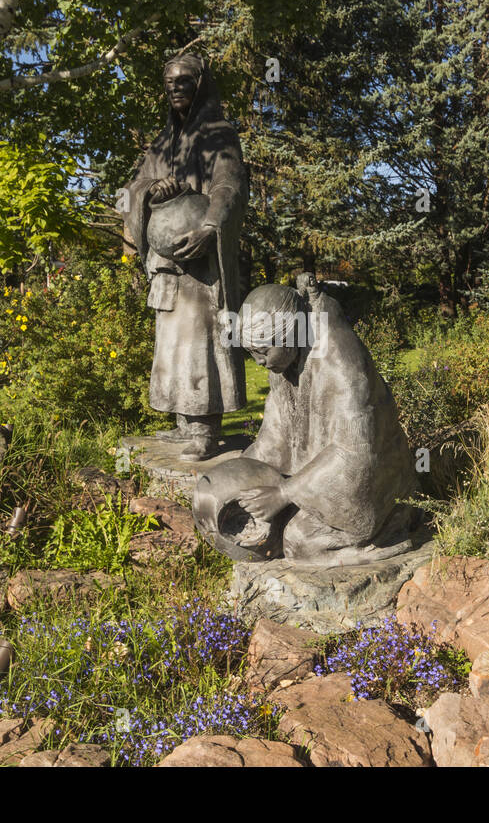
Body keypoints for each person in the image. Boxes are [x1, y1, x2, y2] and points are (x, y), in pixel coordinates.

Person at [193, 278, 419, 564]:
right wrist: (232, 475)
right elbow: (275, 436)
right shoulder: (287, 359)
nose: (259, 362)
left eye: (263, 351)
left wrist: (285, 492)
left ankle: (377, 543)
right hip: (318, 478)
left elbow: (356, 453)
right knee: (258, 516)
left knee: (298, 542)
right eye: (252, 352)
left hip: (374, 481)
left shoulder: (343, 366)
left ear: (289, 335)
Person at [122, 54, 247, 460]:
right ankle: (182, 422)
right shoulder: (162, 142)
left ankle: (205, 432)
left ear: (200, 85)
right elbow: (132, 188)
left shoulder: (219, 135)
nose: (175, 88)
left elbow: (228, 186)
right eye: (169, 81)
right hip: (168, 262)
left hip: (202, 260)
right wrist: (150, 191)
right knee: (171, 344)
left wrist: (212, 227)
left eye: (184, 81)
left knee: (200, 342)